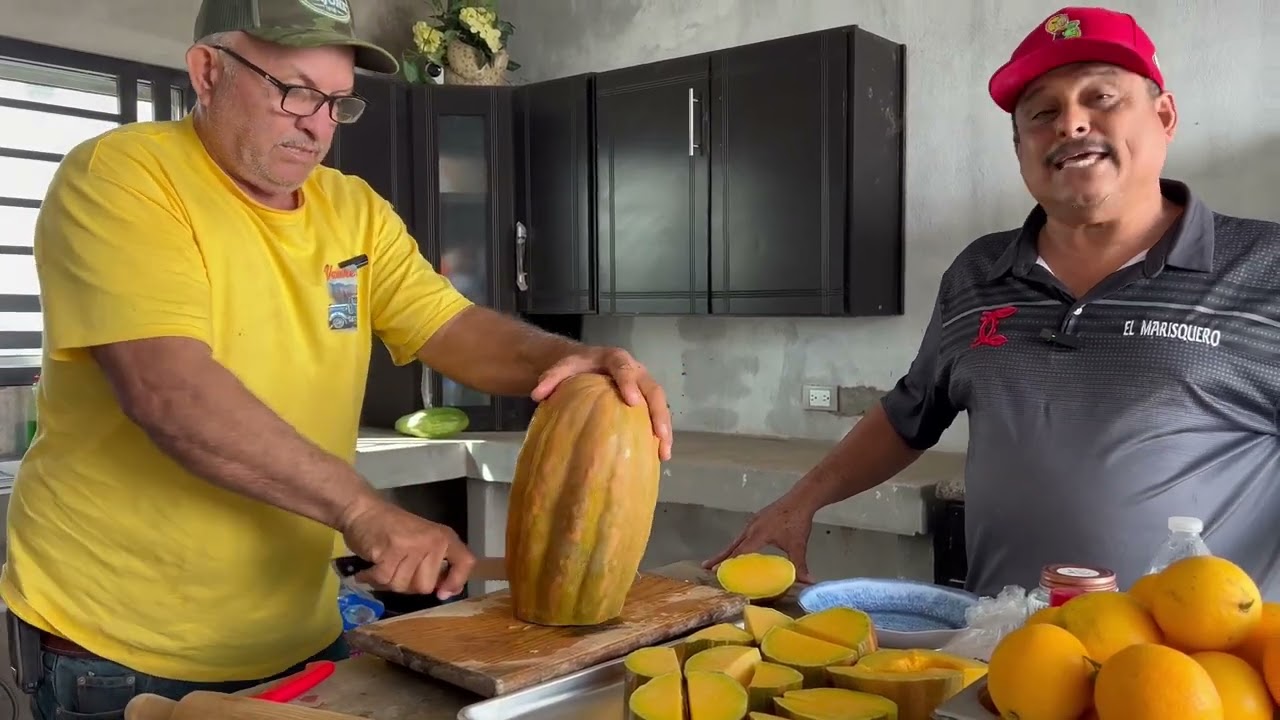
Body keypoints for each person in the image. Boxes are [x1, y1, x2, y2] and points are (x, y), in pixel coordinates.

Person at [1, 1, 672, 718]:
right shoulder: (125, 177)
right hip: (123, 648)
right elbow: (170, 392)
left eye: (336, 102)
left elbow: (451, 325)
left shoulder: (353, 209)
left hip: (300, 631)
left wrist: (577, 359)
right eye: (293, 91)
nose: (316, 123)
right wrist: (363, 510)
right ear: (207, 72)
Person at [708, 6, 1280, 601]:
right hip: (1002, 659)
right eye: (1043, 113)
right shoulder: (979, 273)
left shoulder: (1265, 268)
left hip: (1191, 679)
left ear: (1164, 117)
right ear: (1020, 147)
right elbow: (911, 413)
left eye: (1101, 98)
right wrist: (801, 500)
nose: (1072, 125)